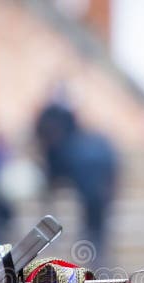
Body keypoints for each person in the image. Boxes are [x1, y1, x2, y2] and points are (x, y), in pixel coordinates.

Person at [34, 100, 118, 267]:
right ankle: (95, 261)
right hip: (97, 189)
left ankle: (94, 261)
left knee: (93, 229)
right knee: (94, 230)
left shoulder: (71, 147)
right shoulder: (89, 143)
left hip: (92, 189)